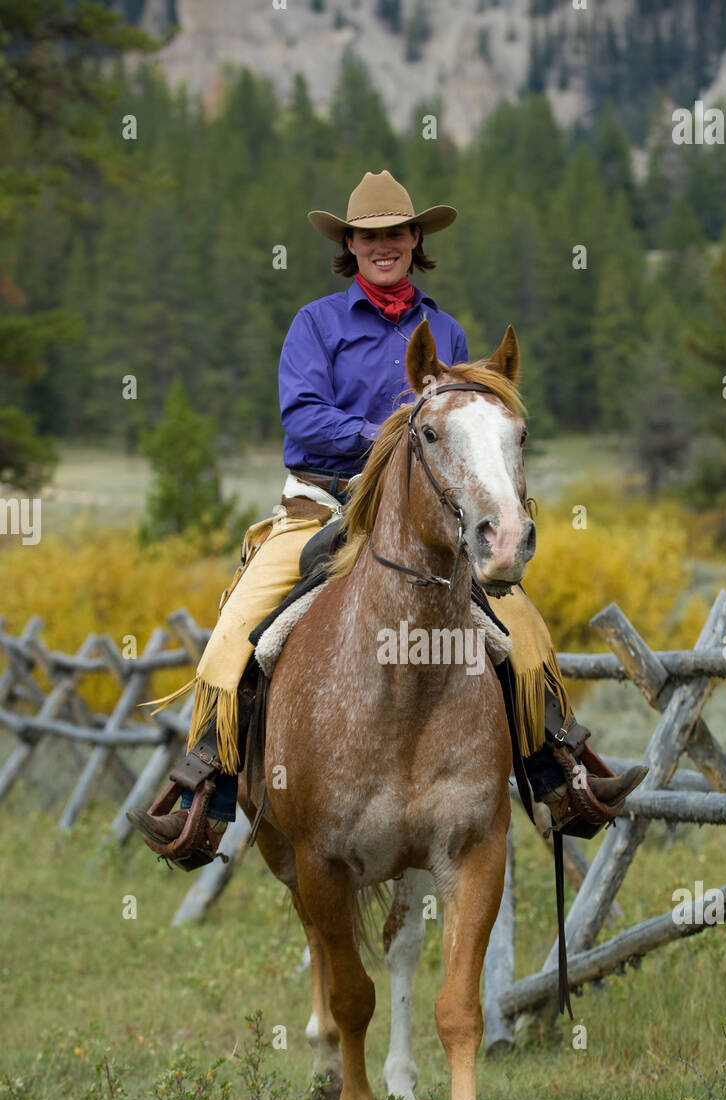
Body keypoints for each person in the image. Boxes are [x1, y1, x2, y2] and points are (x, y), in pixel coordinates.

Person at [128, 171, 646, 868]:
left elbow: (461, 434)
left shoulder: (446, 329)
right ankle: (207, 796)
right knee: (237, 633)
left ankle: (560, 771)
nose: (383, 245)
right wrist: (394, 434)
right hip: (323, 505)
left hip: (420, 515)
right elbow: (304, 420)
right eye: (369, 235)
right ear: (350, 243)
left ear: (414, 240)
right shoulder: (316, 323)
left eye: (396, 233)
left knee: (520, 629)